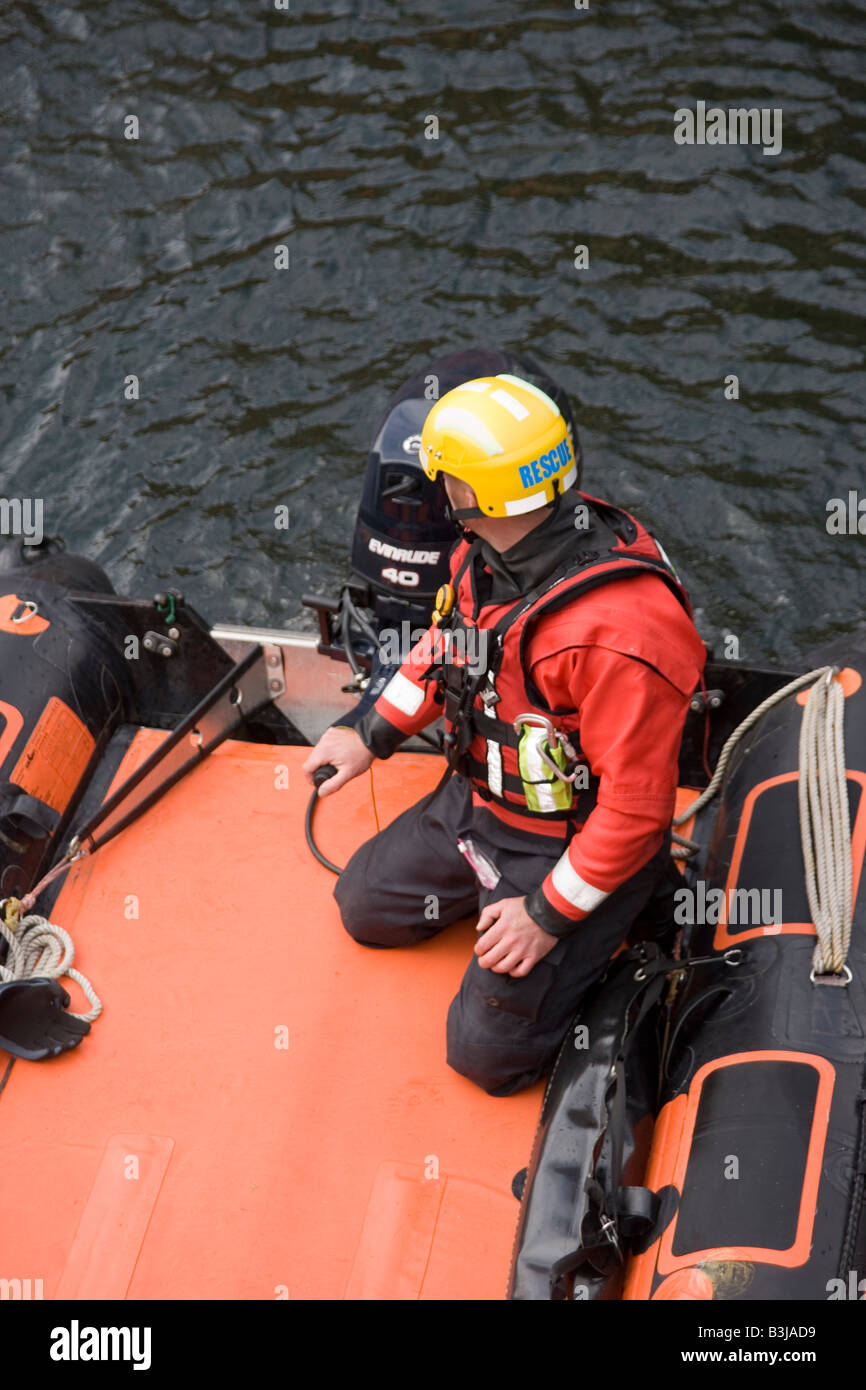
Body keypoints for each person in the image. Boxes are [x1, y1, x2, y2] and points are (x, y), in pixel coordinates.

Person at [302, 370, 706, 1096]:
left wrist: (545, 916)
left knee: (485, 1056)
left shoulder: (619, 634)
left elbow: (636, 808)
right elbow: (445, 648)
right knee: (364, 906)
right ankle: (499, 896)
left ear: (470, 493)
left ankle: (627, 919)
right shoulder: (485, 557)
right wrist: (370, 734)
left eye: (447, 479)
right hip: (479, 805)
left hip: (567, 843)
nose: (437, 490)